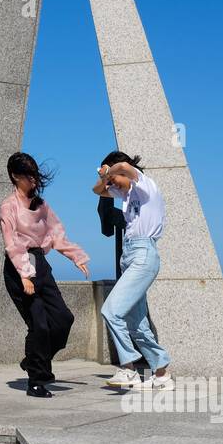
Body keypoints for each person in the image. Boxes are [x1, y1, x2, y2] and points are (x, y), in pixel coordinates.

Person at [0, 152, 90, 398]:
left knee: (63, 319)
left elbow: (57, 234)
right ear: (15, 176)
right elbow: (12, 244)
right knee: (38, 324)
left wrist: (77, 257)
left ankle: (32, 360)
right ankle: (36, 381)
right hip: (19, 268)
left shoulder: (41, 205)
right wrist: (25, 276)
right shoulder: (9, 206)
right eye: (28, 175)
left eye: (35, 174)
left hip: (40, 264)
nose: (34, 180)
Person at [93, 151, 173, 391]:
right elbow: (96, 191)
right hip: (129, 256)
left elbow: (126, 168)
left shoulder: (145, 185)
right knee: (136, 323)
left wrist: (111, 170)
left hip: (143, 254)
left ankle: (129, 369)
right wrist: (106, 178)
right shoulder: (125, 194)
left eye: (115, 177)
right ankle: (161, 374)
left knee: (110, 311)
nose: (113, 183)